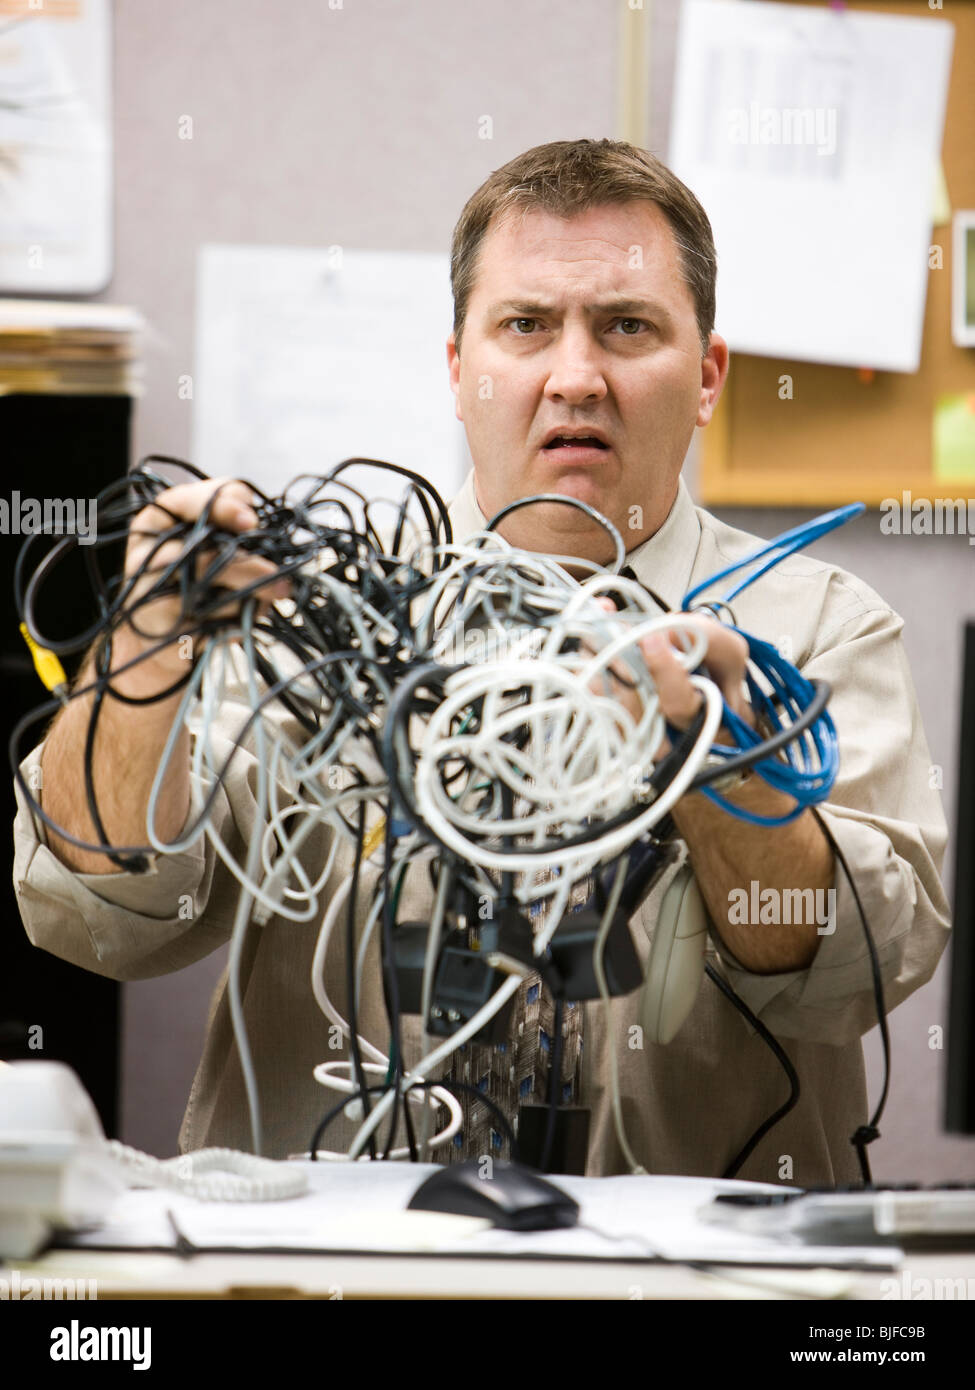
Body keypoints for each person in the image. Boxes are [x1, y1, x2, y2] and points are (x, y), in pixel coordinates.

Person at [13, 139, 950, 1183]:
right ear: (460, 370)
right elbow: (95, 914)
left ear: (707, 377)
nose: (577, 377)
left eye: (628, 327)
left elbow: (854, 972)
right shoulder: (302, 608)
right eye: (526, 326)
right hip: (334, 1277)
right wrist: (143, 649)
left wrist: (710, 756)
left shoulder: (818, 628)